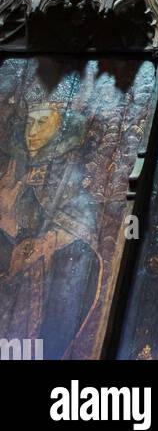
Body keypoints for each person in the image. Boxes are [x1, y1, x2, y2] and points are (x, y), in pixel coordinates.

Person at [0, 95, 100, 359]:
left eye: (42, 122)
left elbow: (83, 230)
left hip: (42, 277)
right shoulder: (13, 171)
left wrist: (47, 242)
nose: (32, 132)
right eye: (29, 122)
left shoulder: (68, 177)